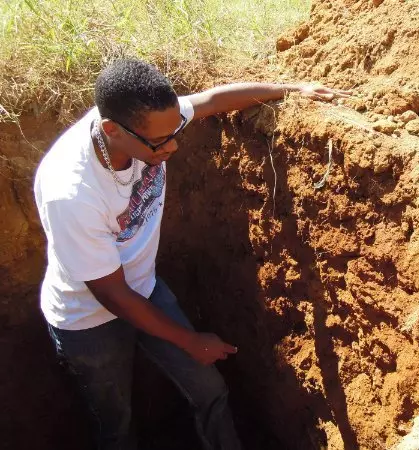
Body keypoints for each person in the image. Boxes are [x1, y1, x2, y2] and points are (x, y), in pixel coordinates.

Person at [33, 58, 349, 450]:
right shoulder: (72, 192)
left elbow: (211, 100)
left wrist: (292, 87)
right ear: (112, 130)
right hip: (88, 323)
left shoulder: (147, 121)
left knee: (209, 388)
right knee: (116, 423)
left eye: (175, 132)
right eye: (160, 143)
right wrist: (190, 341)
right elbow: (111, 295)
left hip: (143, 289)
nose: (173, 146)